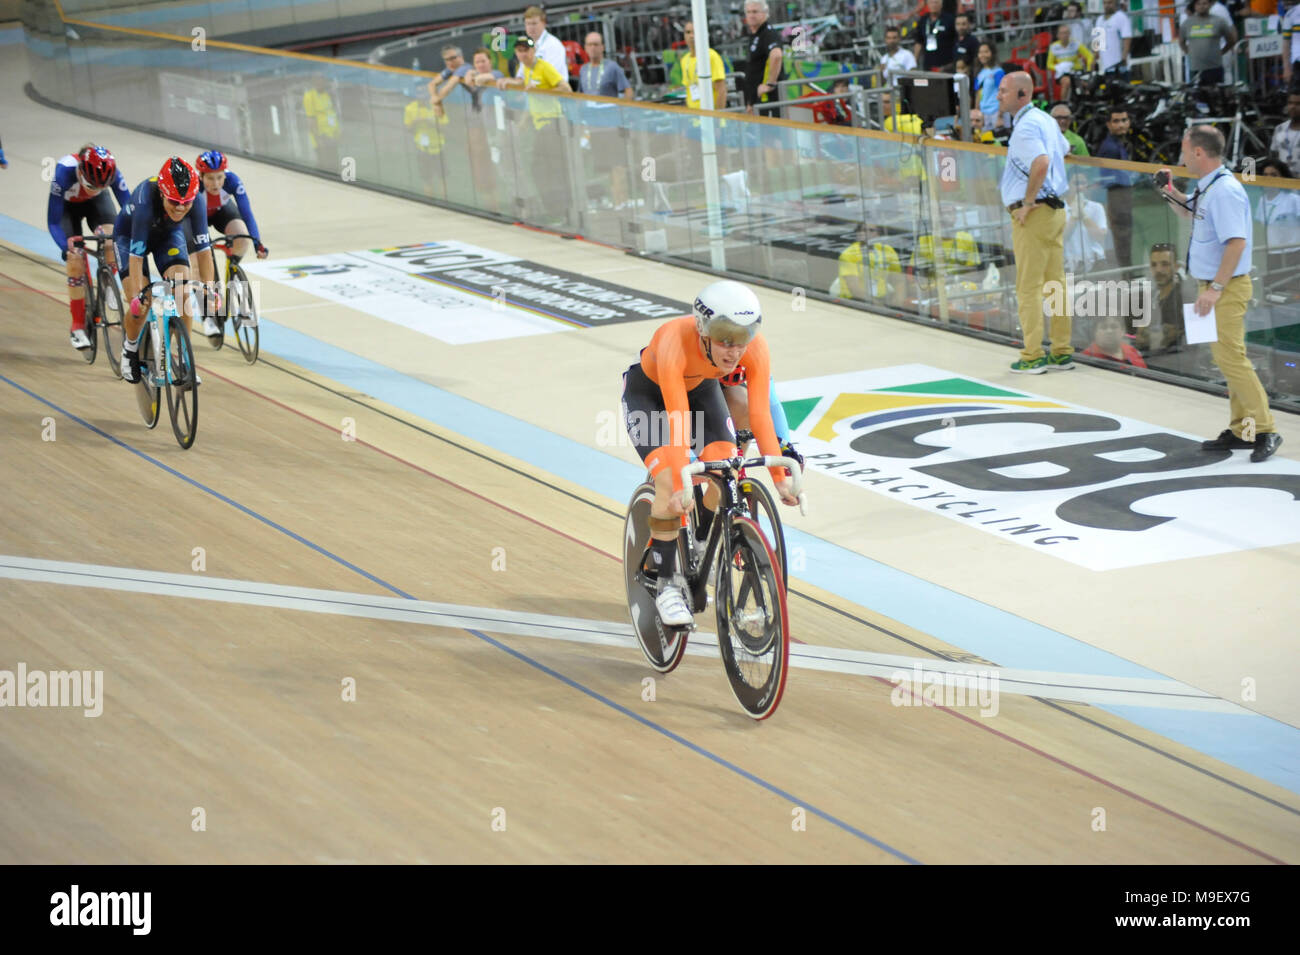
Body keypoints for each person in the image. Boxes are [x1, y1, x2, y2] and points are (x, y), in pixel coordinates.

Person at [621, 281, 798, 628]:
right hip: (651, 397)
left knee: (727, 467)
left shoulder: (755, 349)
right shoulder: (674, 338)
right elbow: (677, 417)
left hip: (701, 392)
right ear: (702, 329)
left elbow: (761, 414)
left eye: (743, 337)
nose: (734, 351)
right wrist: (681, 478)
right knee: (672, 482)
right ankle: (664, 581)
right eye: (724, 339)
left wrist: (780, 478)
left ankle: (702, 540)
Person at [1157, 125, 1282, 462]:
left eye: (1184, 150)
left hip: (1223, 287)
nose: (1181, 156)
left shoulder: (1224, 191)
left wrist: (1215, 288)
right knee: (1227, 359)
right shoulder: (1208, 186)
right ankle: (1244, 428)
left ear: (1199, 152)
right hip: (1212, 285)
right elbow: (1189, 212)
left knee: (1231, 359)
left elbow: (1236, 242)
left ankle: (1266, 428)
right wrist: (1169, 191)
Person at [113, 157, 214, 384]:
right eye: (174, 202)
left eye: (185, 203)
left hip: (166, 235)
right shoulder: (145, 202)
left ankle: (184, 358)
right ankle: (129, 349)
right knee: (140, 303)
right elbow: (136, 258)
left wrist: (210, 290)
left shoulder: (196, 201)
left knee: (183, 289)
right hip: (129, 238)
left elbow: (204, 251)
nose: (180, 207)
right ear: (161, 193)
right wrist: (139, 296)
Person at [998, 71, 1072, 373]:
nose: (999, 95)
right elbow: (1065, 150)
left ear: (1022, 95)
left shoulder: (1027, 126)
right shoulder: (1045, 120)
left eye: (1004, 91)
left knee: (1028, 286)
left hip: (1035, 213)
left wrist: (1027, 203)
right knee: (1056, 283)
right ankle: (1061, 351)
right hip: (1055, 211)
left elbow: (1041, 161)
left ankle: (1032, 355)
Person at [47, 144, 130, 352]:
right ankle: (77, 327)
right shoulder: (63, 172)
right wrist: (67, 249)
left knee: (111, 240)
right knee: (75, 258)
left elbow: (130, 208)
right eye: (92, 185)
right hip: (67, 210)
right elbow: (54, 222)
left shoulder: (111, 175)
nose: (95, 190)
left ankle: (108, 285)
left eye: (101, 186)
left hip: (97, 207)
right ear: (81, 172)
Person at [498, 36, 572, 224]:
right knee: (541, 169)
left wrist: (542, 92)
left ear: (533, 51)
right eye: (520, 51)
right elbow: (525, 88)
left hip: (552, 122)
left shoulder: (543, 67)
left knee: (550, 169)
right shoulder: (526, 70)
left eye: (526, 50)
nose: (523, 54)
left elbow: (566, 88)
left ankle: (562, 211)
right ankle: (556, 210)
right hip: (540, 124)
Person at [192, 150, 267, 336]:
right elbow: (195, 225)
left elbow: (246, 213)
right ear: (201, 176)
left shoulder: (233, 181)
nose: (216, 184)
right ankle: (208, 315)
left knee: (241, 236)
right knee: (198, 263)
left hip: (220, 212)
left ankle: (232, 274)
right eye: (210, 178)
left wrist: (258, 243)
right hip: (194, 219)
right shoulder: (194, 187)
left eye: (219, 177)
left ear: (225, 174)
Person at [1096, 106, 1137, 269]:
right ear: (1108, 124)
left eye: (1124, 120)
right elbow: (1109, 178)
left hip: (1124, 195)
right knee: (1123, 239)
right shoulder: (1110, 147)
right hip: (1117, 195)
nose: (1121, 125)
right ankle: (1127, 275)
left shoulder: (1121, 143)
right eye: (1116, 121)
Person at [1136, 242, 1189, 353]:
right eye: (1154, 265)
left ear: (1176, 267)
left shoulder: (1186, 294)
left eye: (1165, 264)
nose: (1158, 270)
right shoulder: (1151, 294)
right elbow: (1139, 334)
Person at [836, 221, 905, 305]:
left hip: (883, 299)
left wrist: (899, 299)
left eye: (871, 230)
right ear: (858, 234)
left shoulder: (887, 250)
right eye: (863, 230)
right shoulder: (849, 254)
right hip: (855, 301)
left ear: (878, 235)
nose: (866, 233)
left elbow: (899, 281)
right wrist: (879, 306)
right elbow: (855, 290)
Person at [1256, 157, 1300, 274]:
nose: (1269, 179)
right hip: (1271, 254)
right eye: (1265, 175)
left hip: (1293, 254)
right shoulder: (1262, 200)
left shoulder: (1293, 199)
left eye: (1274, 175)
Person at [741, 0, 785, 117]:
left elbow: (776, 55)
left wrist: (770, 84)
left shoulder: (768, 33)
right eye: (748, 12)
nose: (751, 15)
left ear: (765, 13)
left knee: (771, 134)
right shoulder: (755, 34)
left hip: (768, 99)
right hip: (757, 99)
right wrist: (750, 102)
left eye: (755, 11)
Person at [1179, 0, 1236, 87]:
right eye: (1198, 4)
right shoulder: (1187, 23)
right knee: (1197, 98)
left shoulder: (1219, 21)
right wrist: (1190, 54)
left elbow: (1231, 41)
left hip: (1215, 67)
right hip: (1195, 68)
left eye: (1205, 3)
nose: (1202, 6)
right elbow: (1181, 42)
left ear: (1210, 5)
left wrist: (1222, 52)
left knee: (1216, 96)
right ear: (1194, 6)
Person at [679, 19, 727, 110]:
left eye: (695, 32)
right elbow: (688, 90)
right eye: (688, 32)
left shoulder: (711, 56)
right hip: (693, 117)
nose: (691, 36)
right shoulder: (685, 60)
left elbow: (721, 90)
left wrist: (718, 116)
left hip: (710, 115)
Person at [1063, 182, 1109, 274]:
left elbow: (1101, 237)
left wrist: (1084, 215)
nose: (1080, 187)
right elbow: (1062, 238)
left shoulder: (1096, 207)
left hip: (1096, 263)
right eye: (1076, 183)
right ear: (1068, 186)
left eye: (1083, 183)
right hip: (1070, 265)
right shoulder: (1059, 209)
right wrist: (1074, 216)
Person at [1046, 22, 1093, 103]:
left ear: (1069, 34)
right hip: (1063, 72)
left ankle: (1085, 103)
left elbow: (1090, 56)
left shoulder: (1076, 44)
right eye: (1062, 33)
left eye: (1066, 33)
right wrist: (1058, 67)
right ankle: (1063, 104)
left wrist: (1089, 70)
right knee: (1066, 82)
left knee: (1086, 84)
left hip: (1076, 70)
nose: (1064, 35)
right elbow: (1049, 64)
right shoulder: (1054, 47)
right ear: (1058, 35)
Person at [302, 74, 340, 172]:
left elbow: (331, 114)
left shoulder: (327, 95)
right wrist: (318, 140)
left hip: (332, 136)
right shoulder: (309, 96)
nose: (320, 82)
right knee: (324, 166)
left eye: (322, 80)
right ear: (313, 82)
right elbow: (311, 120)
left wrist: (337, 132)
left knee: (334, 165)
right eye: (317, 80)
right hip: (322, 137)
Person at [519, 5, 567, 79]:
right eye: (528, 24)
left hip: (552, 89)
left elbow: (552, 76)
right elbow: (521, 74)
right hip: (533, 88)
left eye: (534, 23)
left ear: (544, 23)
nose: (531, 27)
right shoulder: (527, 44)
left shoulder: (553, 45)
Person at [1082, 314, 1148, 366]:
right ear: (1095, 332)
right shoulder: (1086, 358)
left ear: (1122, 331)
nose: (1109, 331)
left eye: (1114, 326)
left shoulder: (1132, 351)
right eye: (1103, 327)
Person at [913, 0, 957, 72]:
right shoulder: (923, 20)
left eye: (936, 2)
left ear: (941, 4)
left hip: (946, 64)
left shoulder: (950, 19)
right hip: (928, 64)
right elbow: (918, 41)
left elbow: (956, 40)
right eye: (931, 2)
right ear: (927, 4)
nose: (934, 5)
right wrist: (914, 61)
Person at [1095, 0, 1133, 79]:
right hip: (1106, 66)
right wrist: (1095, 57)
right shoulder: (1099, 20)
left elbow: (1127, 38)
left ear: (1115, 3)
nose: (1107, 5)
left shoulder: (1121, 17)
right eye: (1105, 3)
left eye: (1109, 3)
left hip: (1119, 66)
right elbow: (1098, 41)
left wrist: (1124, 57)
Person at [974, 42, 1005, 128]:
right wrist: (977, 114)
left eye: (986, 52)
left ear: (992, 53)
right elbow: (978, 95)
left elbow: (1003, 94)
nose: (982, 55)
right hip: (984, 114)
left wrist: (1000, 116)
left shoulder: (998, 71)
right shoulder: (979, 73)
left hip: (996, 112)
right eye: (980, 52)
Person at [1269, 93, 1300, 174]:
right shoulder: (1279, 128)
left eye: (1298, 104)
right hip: (1283, 181)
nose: (1293, 107)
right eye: (1290, 103)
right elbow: (1273, 153)